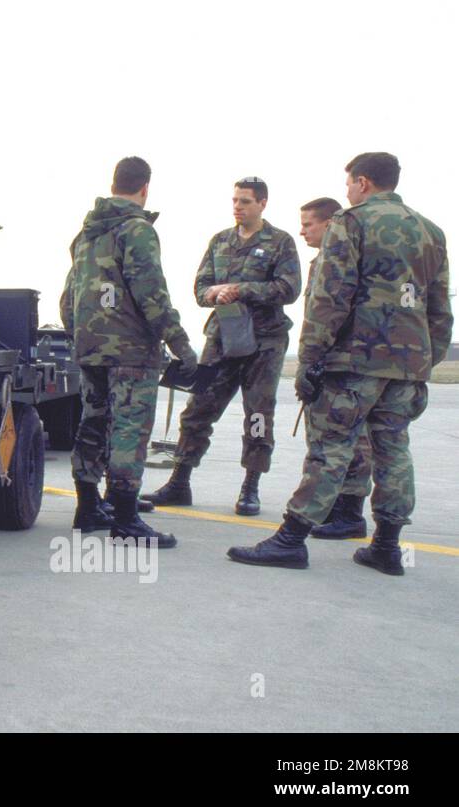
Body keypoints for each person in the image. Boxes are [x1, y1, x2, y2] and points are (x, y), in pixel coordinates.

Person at [227, 153, 452, 573]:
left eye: (349, 183)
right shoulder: (431, 231)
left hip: (355, 361)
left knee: (332, 447)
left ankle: (292, 538)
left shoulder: (350, 224)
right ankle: (386, 545)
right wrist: (425, 361)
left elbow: (330, 297)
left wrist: (311, 358)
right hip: (406, 365)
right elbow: (439, 309)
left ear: (362, 182)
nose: (347, 190)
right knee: (393, 449)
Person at [140, 177, 302, 515]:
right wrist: (215, 293)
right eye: (235, 201)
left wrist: (241, 289)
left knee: (258, 415)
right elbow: (200, 288)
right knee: (198, 410)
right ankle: (179, 482)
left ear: (262, 204)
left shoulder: (280, 242)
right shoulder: (220, 241)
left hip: (264, 343)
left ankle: (250, 488)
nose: (238, 207)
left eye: (245, 201)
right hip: (221, 340)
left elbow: (288, 288)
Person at [60, 156, 197, 544]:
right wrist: (181, 346)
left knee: (93, 424)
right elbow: (151, 294)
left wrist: (80, 338)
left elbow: (69, 296)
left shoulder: (86, 234)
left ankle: (88, 507)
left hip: (91, 349)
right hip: (131, 353)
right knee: (128, 431)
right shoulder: (137, 230)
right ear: (145, 188)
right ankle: (125, 519)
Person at [299, 198, 373, 539]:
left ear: (329, 224)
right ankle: (335, 508)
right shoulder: (320, 262)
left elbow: (331, 309)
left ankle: (349, 513)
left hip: (343, 360)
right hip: (332, 359)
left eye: (308, 224)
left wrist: (311, 357)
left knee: (350, 439)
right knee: (333, 438)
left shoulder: (341, 260)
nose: (302, 231)